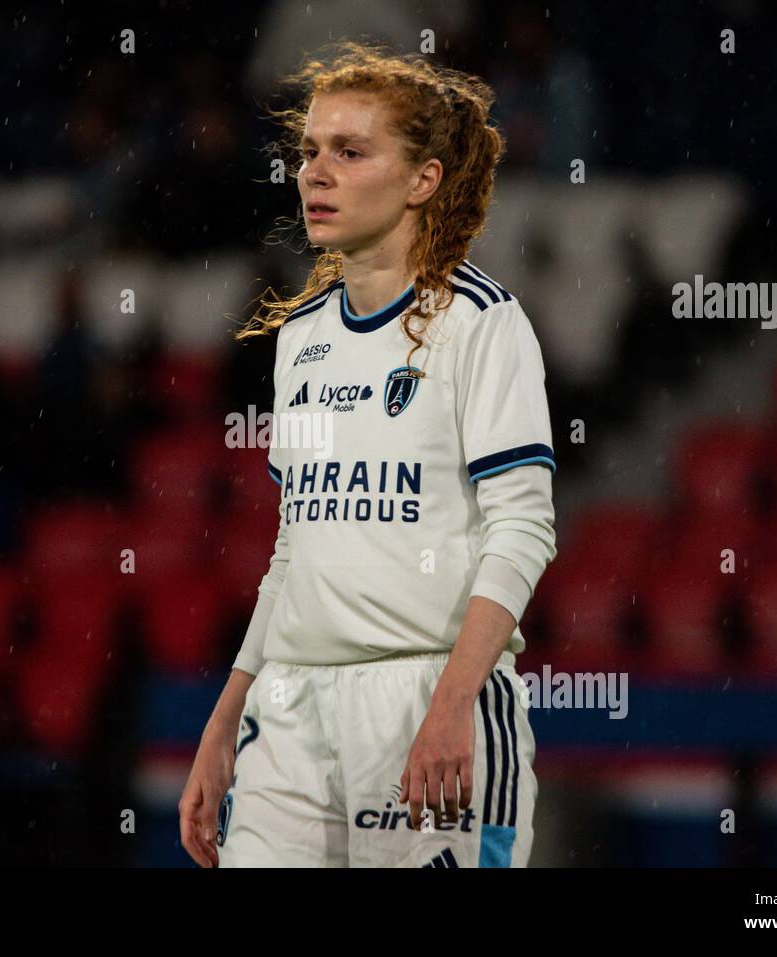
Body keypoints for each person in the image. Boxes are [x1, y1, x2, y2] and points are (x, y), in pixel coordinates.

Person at [179, 43, 557, 868]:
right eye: (310, 151)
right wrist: (225, 717)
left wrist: (455, 701)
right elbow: (294, 547)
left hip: (426, 696)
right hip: (291, 709)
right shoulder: (302, 340)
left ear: (422, 179)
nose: (316, 172)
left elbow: (523, 527)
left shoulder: (483, 324)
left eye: (350, 152)